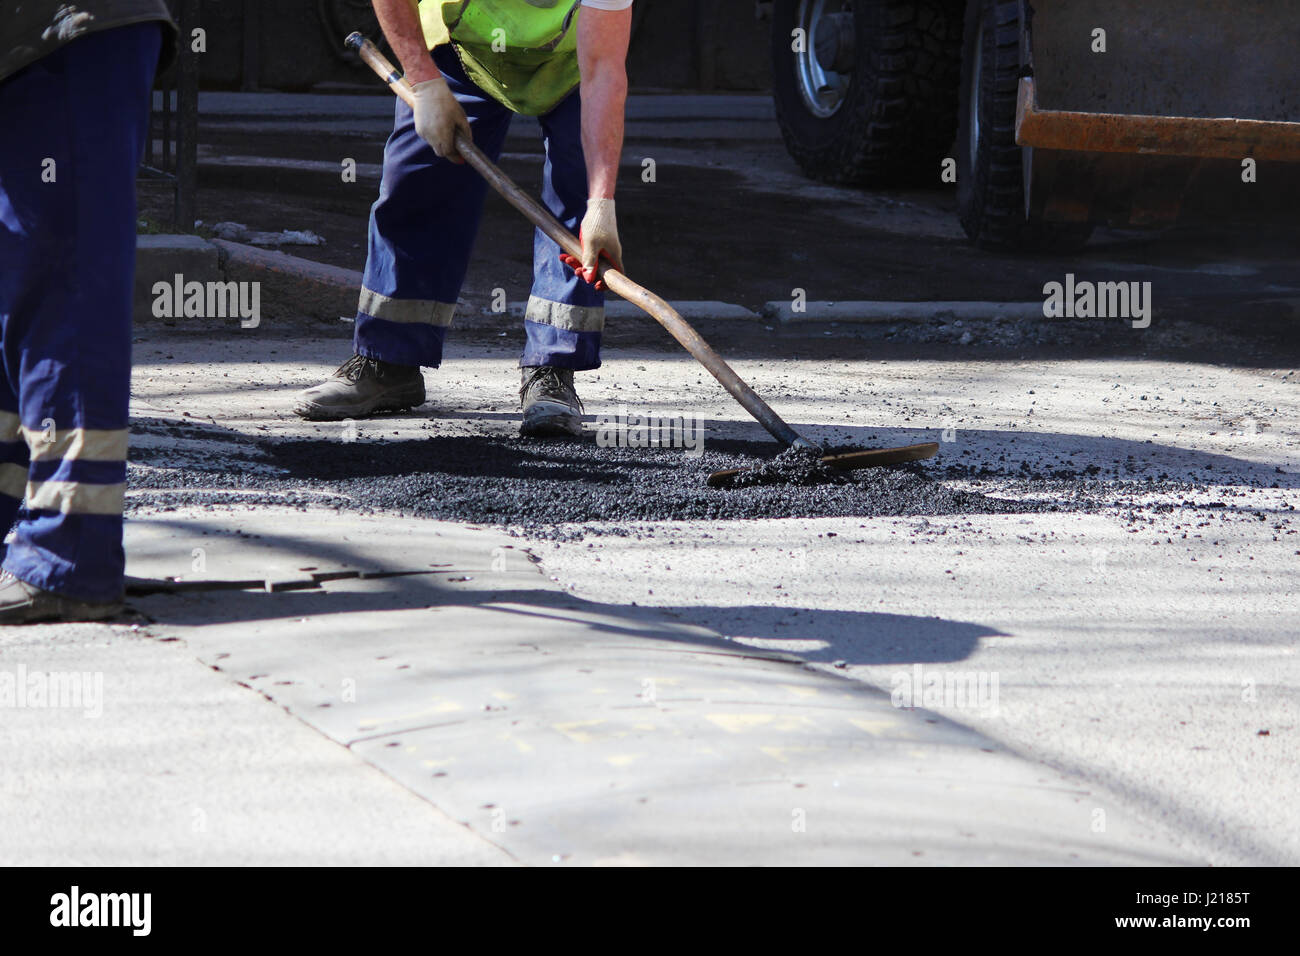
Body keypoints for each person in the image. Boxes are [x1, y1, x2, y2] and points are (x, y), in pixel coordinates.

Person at [293, 0, 632, 436]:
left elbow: (604, 68)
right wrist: (426, 83)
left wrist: (601, 204)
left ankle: (553, 372)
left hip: (569, 64)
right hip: (464, 47)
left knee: (578, 191)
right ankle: (389, 360)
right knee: (419, 177)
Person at [0, 3, 177, 624]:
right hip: (31, 41)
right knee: (16, 289)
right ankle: (18, 533)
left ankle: (68, 555)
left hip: (63, 32)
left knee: (63, 283)